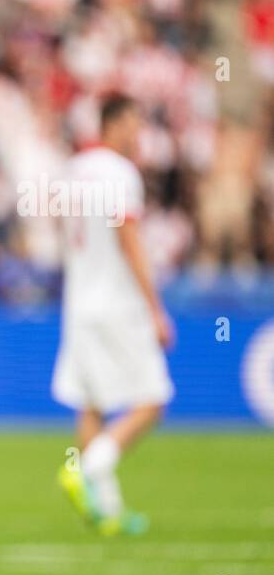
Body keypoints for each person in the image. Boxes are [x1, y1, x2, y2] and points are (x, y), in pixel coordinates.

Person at [54, 94, 174, 536]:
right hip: (117, 303)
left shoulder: (72, 170)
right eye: (135, 123)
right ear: (116, 123)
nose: (139, 133)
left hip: (79, 300)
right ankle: (88, 468)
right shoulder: (121, 173)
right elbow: (128, 239)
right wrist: (156, 308)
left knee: (93, 402)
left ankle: (106, 510)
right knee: (153, 399)